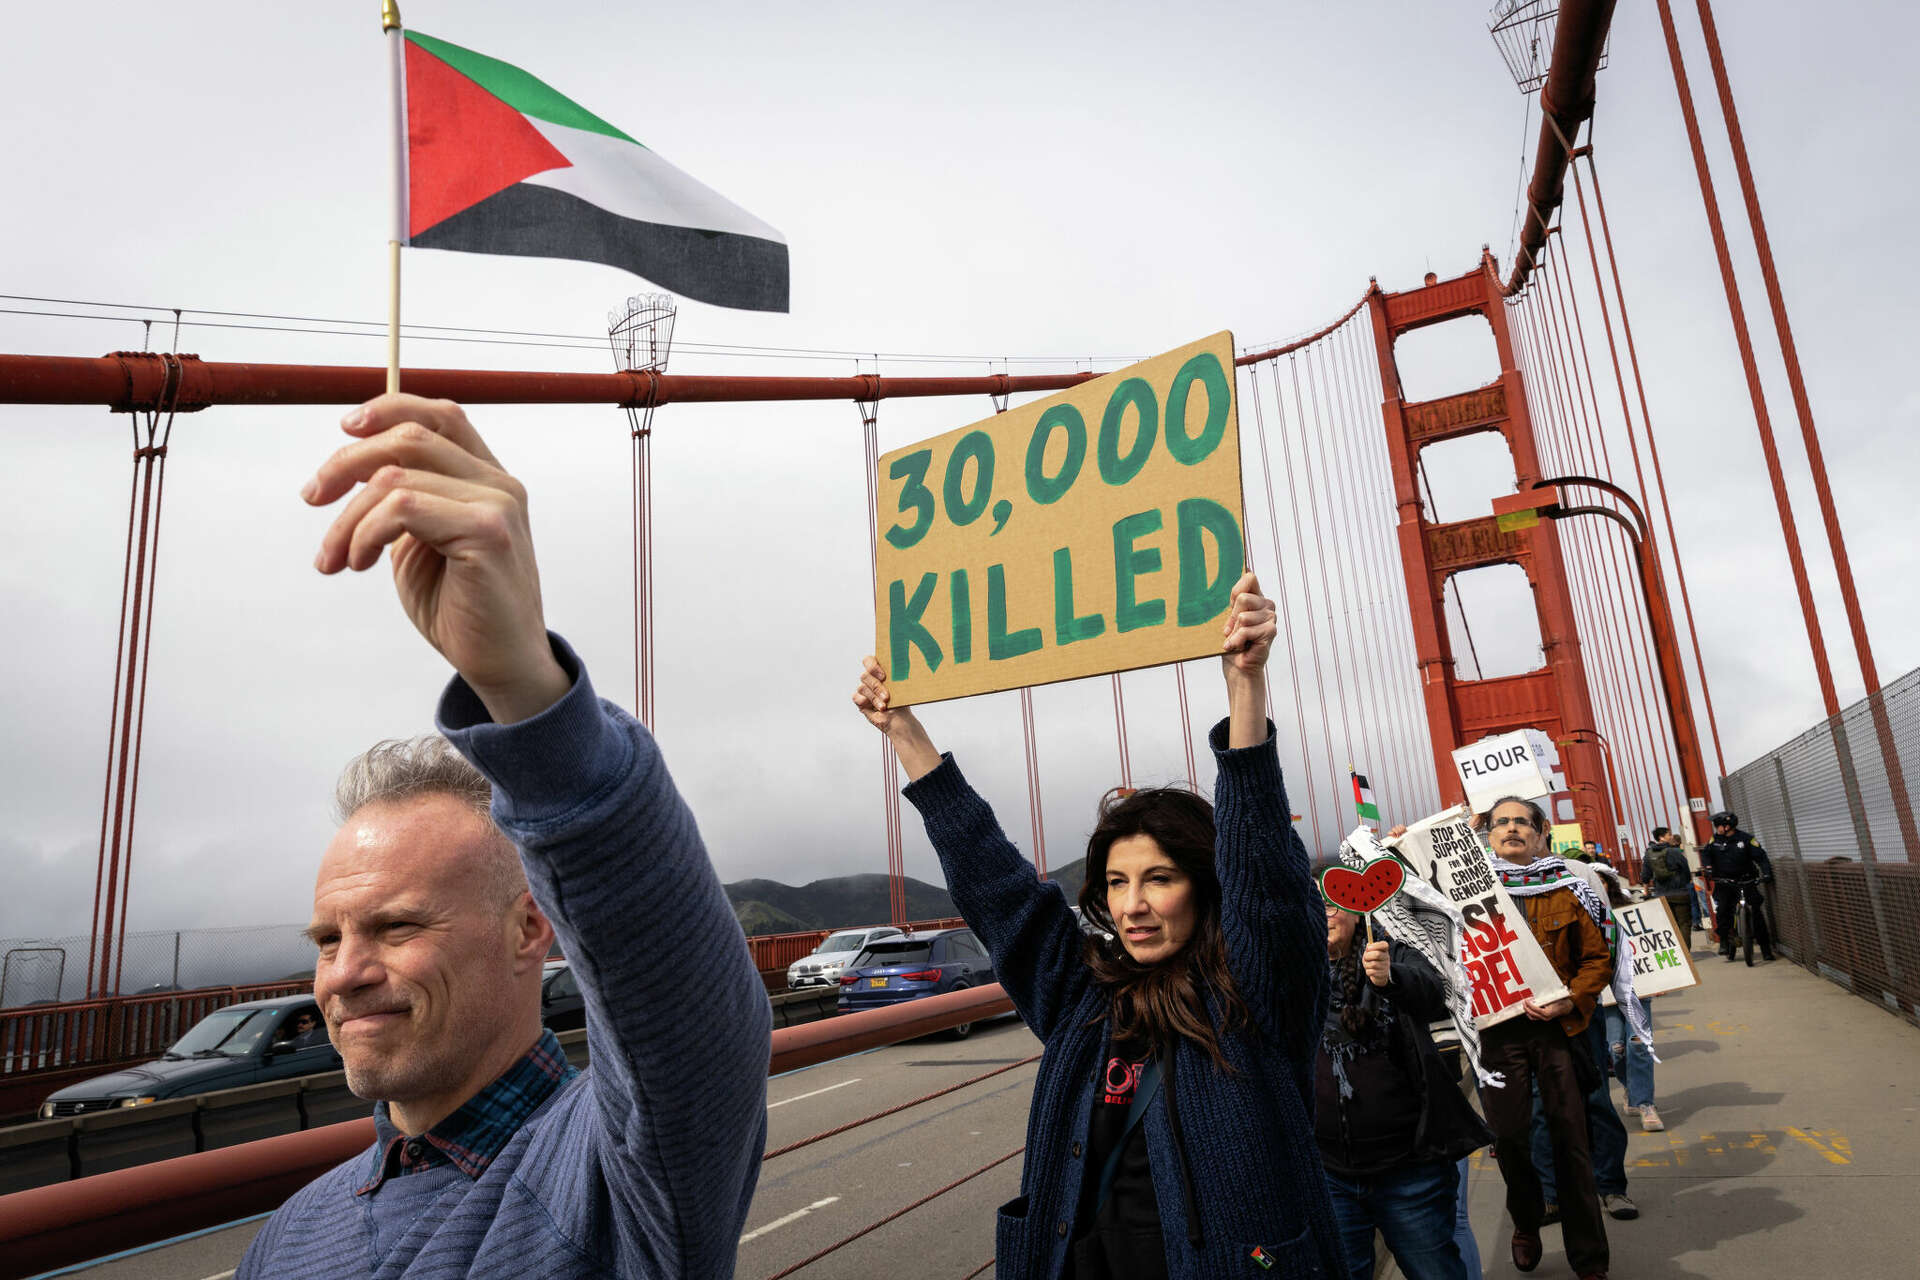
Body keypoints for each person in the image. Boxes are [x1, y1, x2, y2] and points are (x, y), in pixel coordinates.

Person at [238, 395, 771, 1278]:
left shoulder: (618, 1182)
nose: (344, 974)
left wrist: (521, 681)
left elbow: (693, 1026)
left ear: (532, 928)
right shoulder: (288, 1236)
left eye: (399, 927)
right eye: (330, 939)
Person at [851, 573, 1345, 1279]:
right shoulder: (1084, 996)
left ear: (1206, 888)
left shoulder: (1258, 995)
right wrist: (904, 731)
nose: (1132, 905)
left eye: (1159, 879)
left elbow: (1264, 883)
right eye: (1116, 883)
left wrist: (1245, 687)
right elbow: (1003, 891)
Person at [1316, 895, 1493, 1279]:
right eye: (1310, 903)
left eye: (1332, 903)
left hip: (1411, 1171)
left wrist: (1389, 976)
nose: (1323, 913)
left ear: (1356, 909)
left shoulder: (1392, 948)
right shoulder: (1295, 971)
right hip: (1330, 1177)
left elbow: (1434, 991)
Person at [1477, 796, 1617, 1280]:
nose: (1512, 829)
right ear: (1488, 834)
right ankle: (1527, 1221)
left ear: (1540, 835)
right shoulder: (1462, 893)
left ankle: (1590, 1259)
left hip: (1559, 1031)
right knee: (1510, 1138)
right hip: (1497, 1037)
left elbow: (1600, 959)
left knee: (1571, 1142)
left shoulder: (1566, 888)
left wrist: (1572, 999)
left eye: (1522, 822)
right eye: (1502, 823)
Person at [1701, 811, 1775, 962]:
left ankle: (1766, 949)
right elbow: (1706, 854)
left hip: (1746, 881)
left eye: (1718, 825)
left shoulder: (1746, 839)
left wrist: (1766, 874)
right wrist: (1708, 868)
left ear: (1727, 826)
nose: (1716, 828)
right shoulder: (1714, 840)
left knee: (1756, 914)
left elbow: (1762, 858)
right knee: (1722, 911)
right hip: (1724, 882)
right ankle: (1724, 941)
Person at [1639, 828, 1694, 953]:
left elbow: (1645, 875)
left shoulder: (1648, 854)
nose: (1671, 837)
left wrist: (1646, 891)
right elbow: (1686, 869)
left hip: (1661, 895)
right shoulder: (1674, 852)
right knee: (1684, 924)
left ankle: (1675, 952)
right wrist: (1685, 883)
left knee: (1670, 925)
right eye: (1669, 835)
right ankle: (1685, 952)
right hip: (1680, 893)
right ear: (1661, 837)